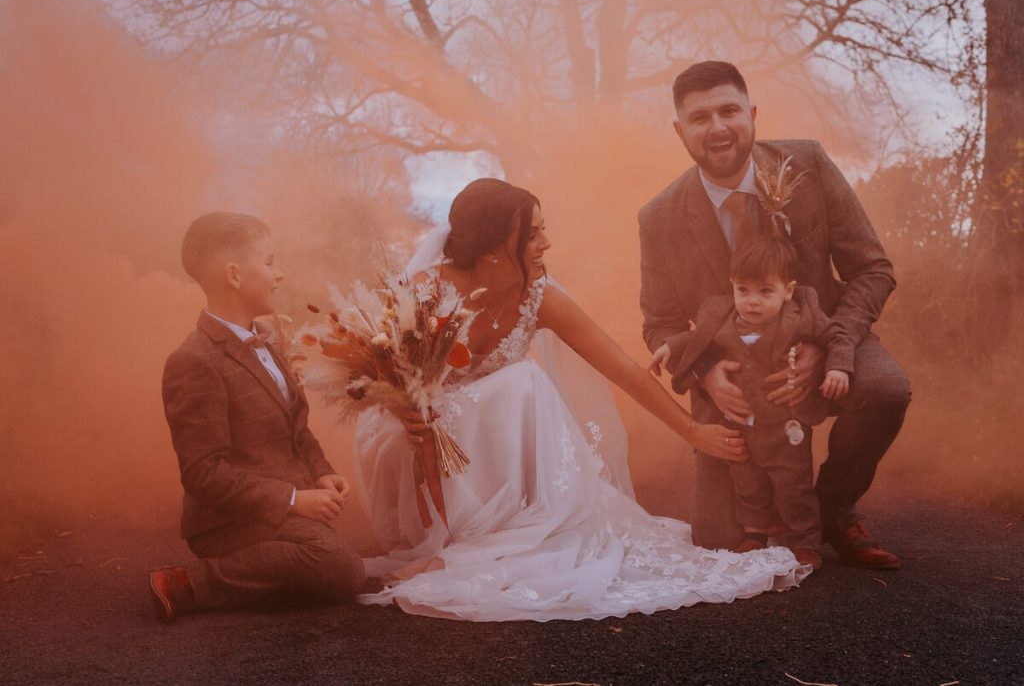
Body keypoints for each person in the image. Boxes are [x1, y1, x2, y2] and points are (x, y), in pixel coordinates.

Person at [354, 178, 809, 622]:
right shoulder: (427, 291)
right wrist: (403, 408)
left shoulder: (538, 296)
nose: (546, 243)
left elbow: (622, 368)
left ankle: (494, 542)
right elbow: (373, 374)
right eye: (532, 234)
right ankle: (447, 545)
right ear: (494, 246)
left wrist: (692, 430)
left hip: (500, 457)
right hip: (427, 451)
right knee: (522, 381)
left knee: (522, 382)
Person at [639, 60, 910, 569]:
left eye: (728, 110)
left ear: (752, 114)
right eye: (700, 118)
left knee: (886, 388)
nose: (717, 127)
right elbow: (661, 323)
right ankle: (775, 512)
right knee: (719, 543)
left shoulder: (808, 163)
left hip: (828, 340)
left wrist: (828, 346)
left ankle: (830, 509)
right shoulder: (658, 217)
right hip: (736, 388)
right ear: (680, 131)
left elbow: (873, 269)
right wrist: (704, 371)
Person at [150, 212, 364, 622]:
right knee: (341, 567)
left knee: (336, 556)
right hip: (228, 522)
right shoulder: (194, 360)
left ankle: (283, 567)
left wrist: (321, 472)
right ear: (233, 275)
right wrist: (294, 501)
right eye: (268, 262)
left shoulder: (267, 340)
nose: (279, 274)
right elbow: (203, 473)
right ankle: (188, 583)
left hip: (279, 507)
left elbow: (297, 427)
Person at [651, 234, 855, 570]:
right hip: (741, 423)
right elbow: (696, 337)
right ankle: (756, 533)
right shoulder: (722, 317)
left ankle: (805, 542)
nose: (752, 301)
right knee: (747, 483)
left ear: (787, 291)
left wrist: (838, 368)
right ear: (732, 286)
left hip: (785, 427)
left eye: (765, 292)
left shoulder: (801, 315)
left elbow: (837, 335)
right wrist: (670, 347)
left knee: (794, 487)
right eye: (743, 290)